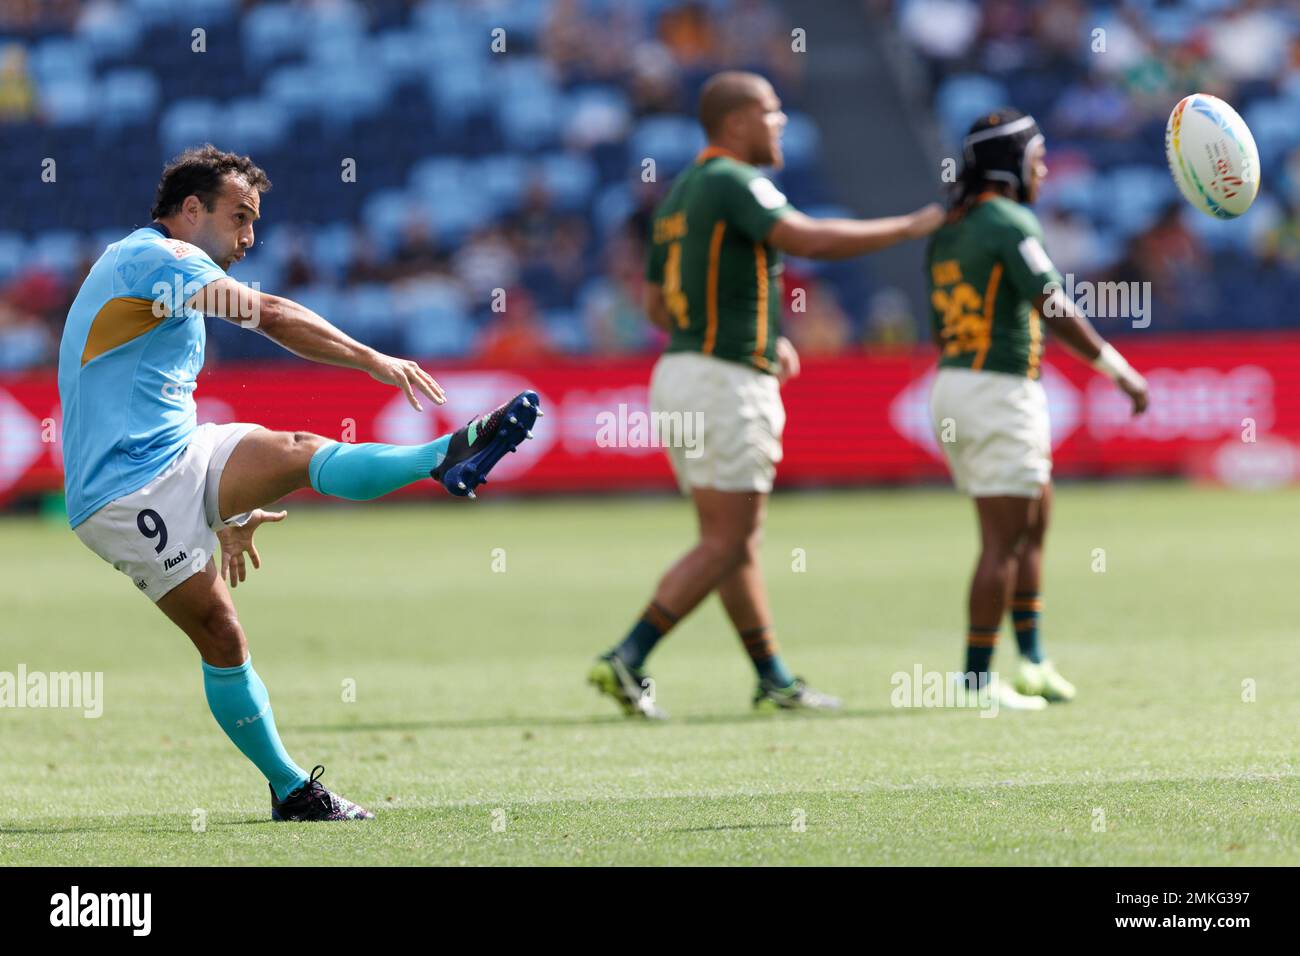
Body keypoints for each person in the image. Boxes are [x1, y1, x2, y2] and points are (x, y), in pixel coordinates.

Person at [58, 145, 541, 819]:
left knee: (299, 450)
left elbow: (147, 402)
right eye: (240, 217)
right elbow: (271, 314)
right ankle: (292, 791)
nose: (250, 237)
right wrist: (370, 357)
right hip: (122, 493)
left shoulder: (163, 273)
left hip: (176, 454)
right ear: (190, 210)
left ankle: (442, 458)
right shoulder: (153, 259)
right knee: (222, 635)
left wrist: (220, 508)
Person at [588, 71, 944, 717]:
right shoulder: (734, 179)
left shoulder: (676, 198)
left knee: (729, 541)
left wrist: (752, 332)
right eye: (771, 111)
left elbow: (656, 307)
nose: (781, 123)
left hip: (679, 374)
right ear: (736, 122)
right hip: (724, 382)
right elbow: (805, 238)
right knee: (728, 540)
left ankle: (773, 678)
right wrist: (910, 225)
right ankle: (628, 655)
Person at [926, 109, 1149, 710]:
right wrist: (1118, 370)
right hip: (998, 389)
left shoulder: (951, 226)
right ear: (1011, 163)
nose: (1044, 169)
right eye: (1037, 157)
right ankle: (974, 683)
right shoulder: (1007, 219)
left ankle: (1031, 662)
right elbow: (1053, 304)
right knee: (1003, 542)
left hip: (958, 383)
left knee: (1033, 523)